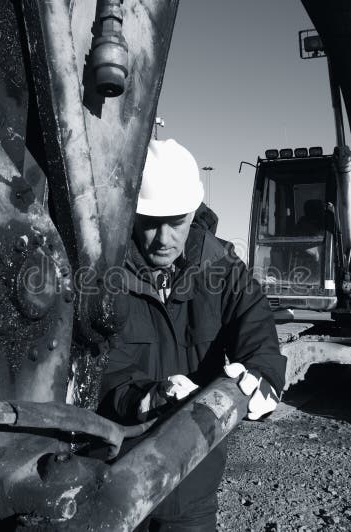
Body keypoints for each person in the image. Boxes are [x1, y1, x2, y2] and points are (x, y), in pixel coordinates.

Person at [99, 138, 286, 531]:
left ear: (193, 212)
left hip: (194, 479)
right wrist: (145, 396)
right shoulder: (103, 273)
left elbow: (257, 329)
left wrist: (264, 375)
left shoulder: (222, 267)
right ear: (131, 213)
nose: (163, 239)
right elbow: (100, 367)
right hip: (115, 478)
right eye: (151, 222)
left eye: (176, 223)